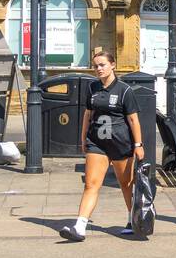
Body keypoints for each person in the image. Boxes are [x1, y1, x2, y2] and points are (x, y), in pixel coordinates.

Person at [60, 48, 144, 242]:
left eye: (102, 65)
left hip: (121, 143)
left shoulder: (124, 90)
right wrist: (83, 139)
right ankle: (79, 226)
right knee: (91, 184)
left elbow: (133, 120)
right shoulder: (92, 88)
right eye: (96, 66)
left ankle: (134, 220)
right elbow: (88, 115)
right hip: (97, 142)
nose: (98, 69)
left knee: (126, 184)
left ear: (112, 65)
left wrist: (138, 144)